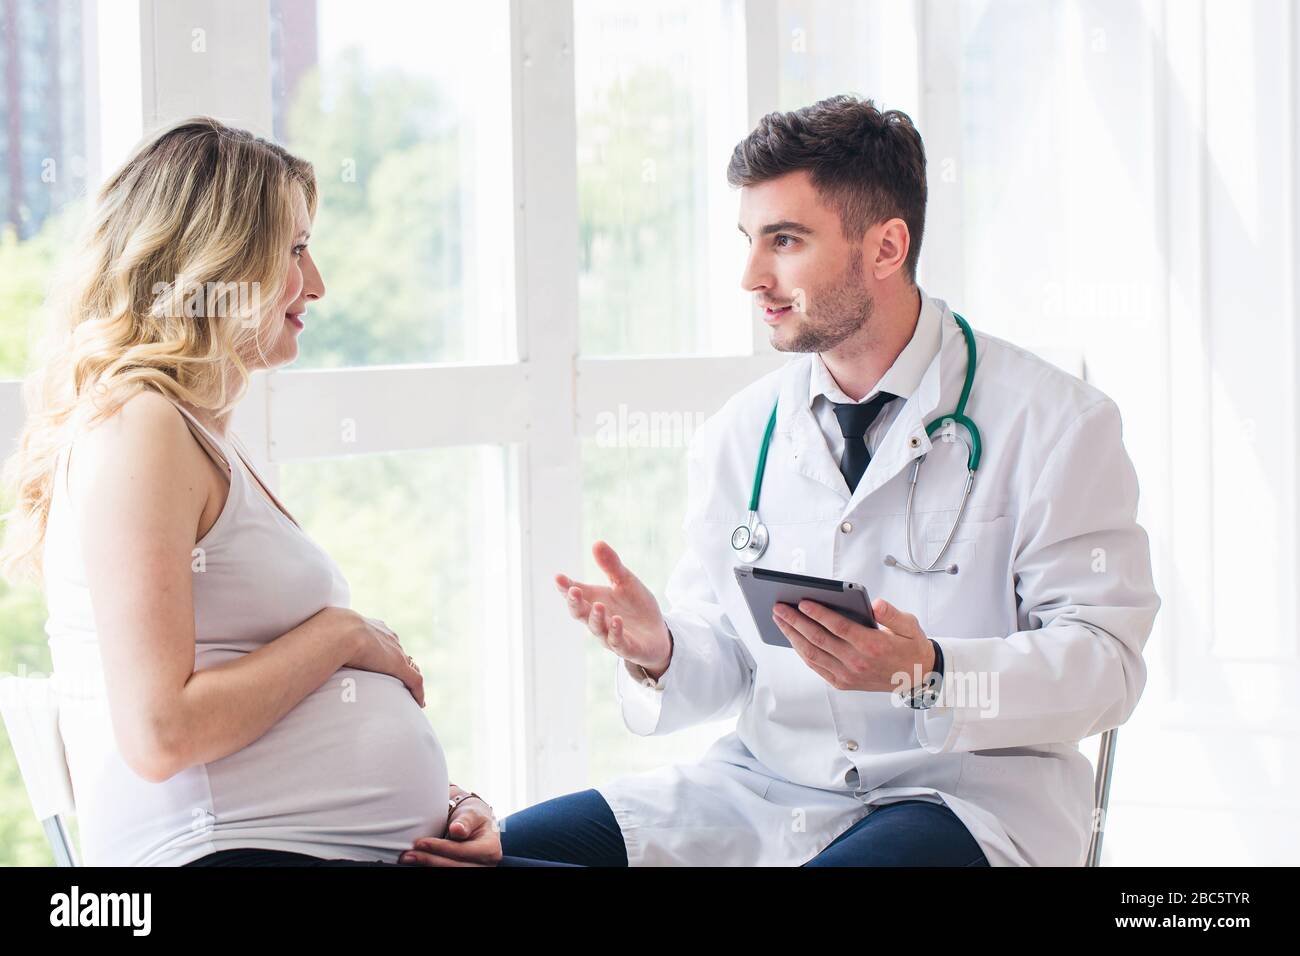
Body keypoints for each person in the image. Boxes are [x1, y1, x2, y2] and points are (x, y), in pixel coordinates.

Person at [499, 95, 1161, 867]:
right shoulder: (738, 435)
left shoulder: (1055, 423)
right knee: (491, 854)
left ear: (885, 247)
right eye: (748, 240)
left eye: (784, 240)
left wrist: (930, 673)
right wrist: (661, 650)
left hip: (962, 797)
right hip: (765, 791)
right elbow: (728, 660)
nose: (752, 276)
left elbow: (1106, 666)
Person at [0, 117, 508, 867]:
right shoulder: (141, 426)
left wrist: (452, 804)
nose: (318, 285)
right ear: (216, 259)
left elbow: (263, 707)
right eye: (296, 249)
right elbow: (162, 732)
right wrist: (343, 634)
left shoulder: (191, 431)